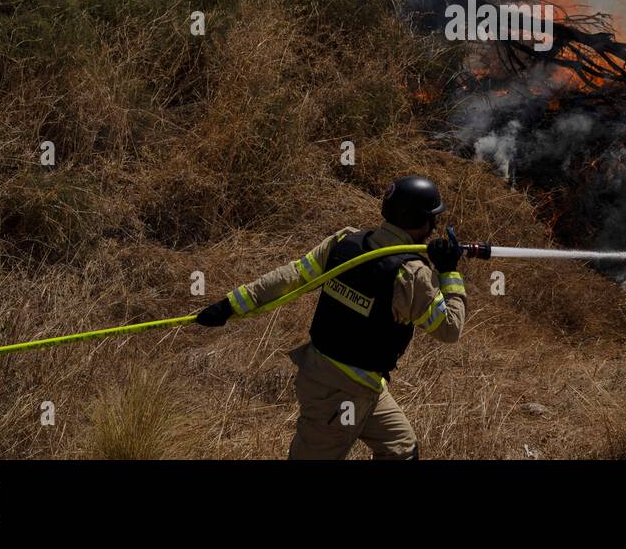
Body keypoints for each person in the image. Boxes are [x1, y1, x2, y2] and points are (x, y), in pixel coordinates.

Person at [194, 175, 466, 459]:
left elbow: (293, 276)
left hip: (356, 384)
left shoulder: (345, 242)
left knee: (400, 449)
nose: (434, 227)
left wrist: (229, 305)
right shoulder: (411, 276)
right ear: (418, 220)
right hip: (337, 396)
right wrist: (448, 272)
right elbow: (450, 329)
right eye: (432, 219)